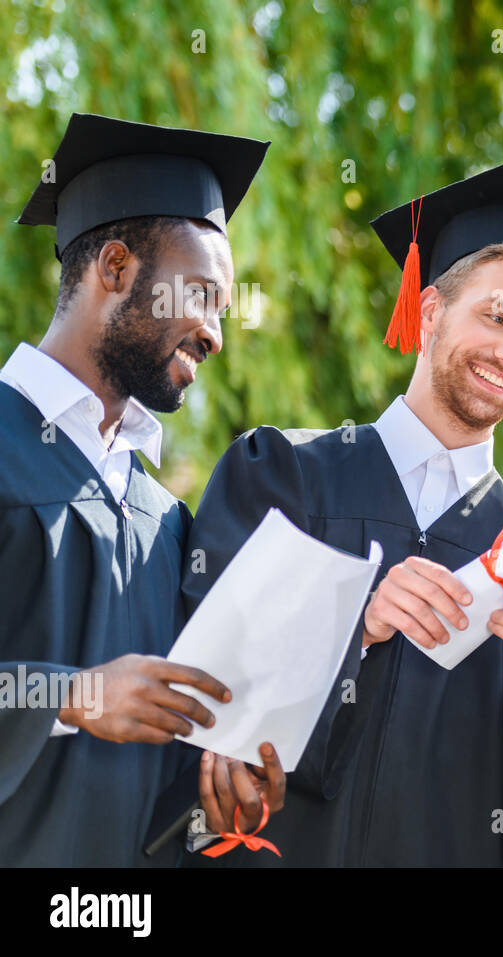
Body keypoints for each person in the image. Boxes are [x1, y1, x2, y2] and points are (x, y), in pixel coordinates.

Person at [181, 155, 503, 866]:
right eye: (496, 316)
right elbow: (200, 704)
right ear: (430, 310)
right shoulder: (285, 479)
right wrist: (355, 621)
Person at [0, 113, 286, 866]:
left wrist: (217, 798)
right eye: (200, 295)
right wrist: (71, 696)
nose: (215, 334)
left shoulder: (165, 523)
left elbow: (152, 800)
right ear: (117, 269)